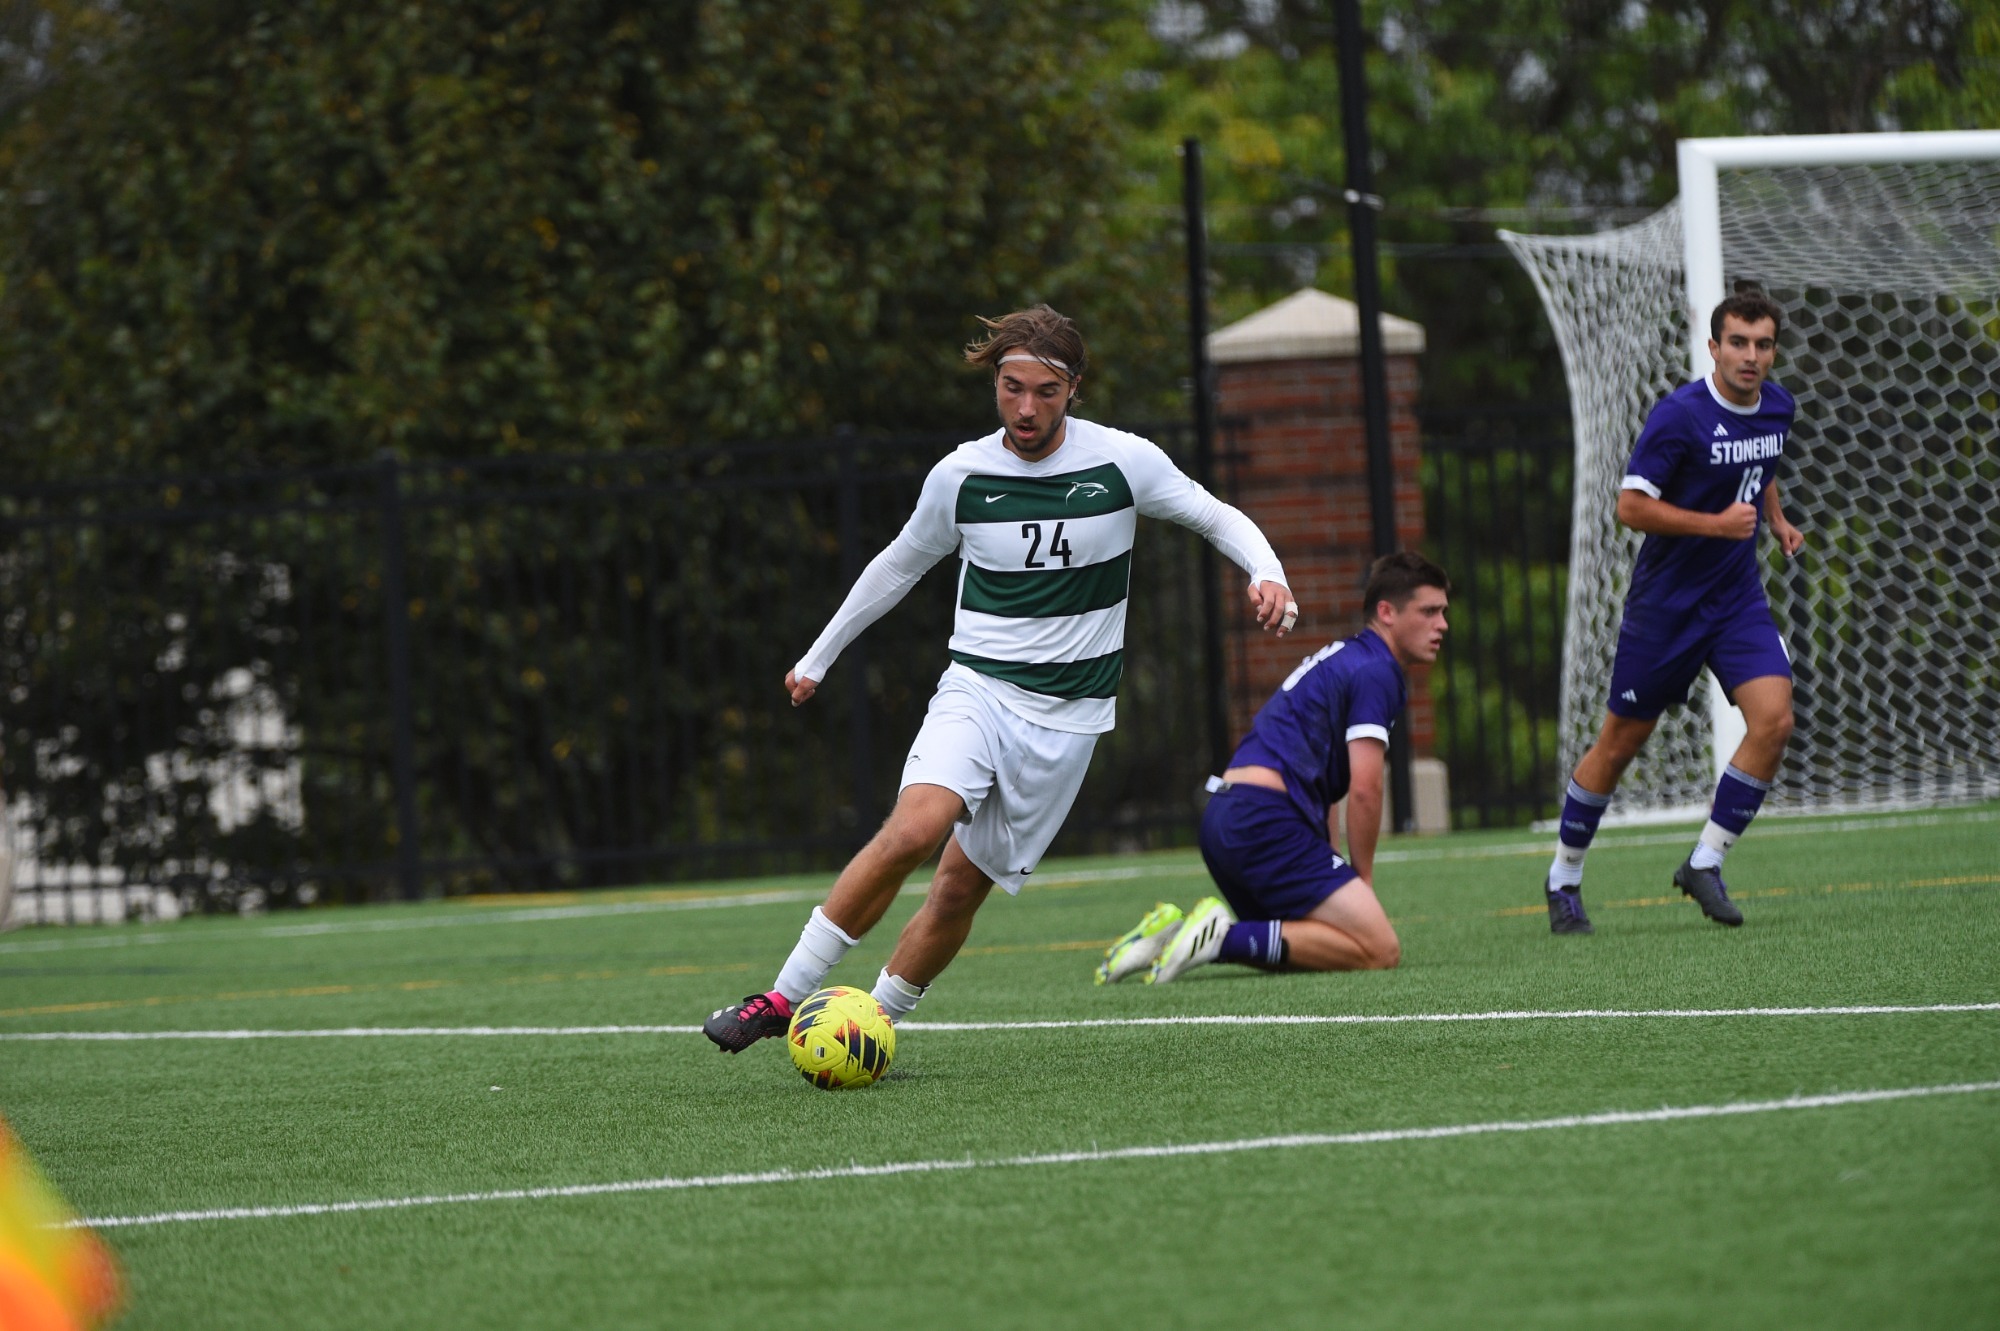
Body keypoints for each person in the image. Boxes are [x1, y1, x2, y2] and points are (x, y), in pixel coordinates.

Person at [703, 304, 1296, 1051]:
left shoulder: (1124, 462)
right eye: (1012, 388)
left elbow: (1218, 517)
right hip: (979, 689)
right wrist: (819, 656)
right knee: (912, 830)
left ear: (1073, 388)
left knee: (957, 888)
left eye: (1045, 391)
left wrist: (1268, 572)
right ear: (994, 383)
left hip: (1069, 721)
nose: (1026, 408)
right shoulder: (961, 476)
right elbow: (897, 566)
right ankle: (781, 998)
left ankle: (870, 1027)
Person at [1543, 287, 1804, 934]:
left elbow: (1762, 460)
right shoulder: (1679, 416)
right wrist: (1716, 526)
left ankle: (1704, 863)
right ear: (1713, 347)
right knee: (1620, 743)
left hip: (1736, 599)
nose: (1750, 356)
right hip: (1667, 608)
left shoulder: (1778, 406)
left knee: (1774, 721)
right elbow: (1630, 507)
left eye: (1762, 344)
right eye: (1737, 342)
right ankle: (1564, 877)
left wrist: (1775, 518)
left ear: (1774, 352)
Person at [1096, 552, 1448, 985]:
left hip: (1227, 818)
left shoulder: (1347, 658)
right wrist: (1362, 880)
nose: (1442, 625)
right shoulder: (1378, 671)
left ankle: (1172, 935)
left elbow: (1324, 787)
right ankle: (1221, 938)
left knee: (1316, 943)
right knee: (1380, 948)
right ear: (1387, 612)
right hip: (1264, 822)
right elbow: (1365, 789)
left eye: (1443, 612)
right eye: (1429, 611)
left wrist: (1331, 862)